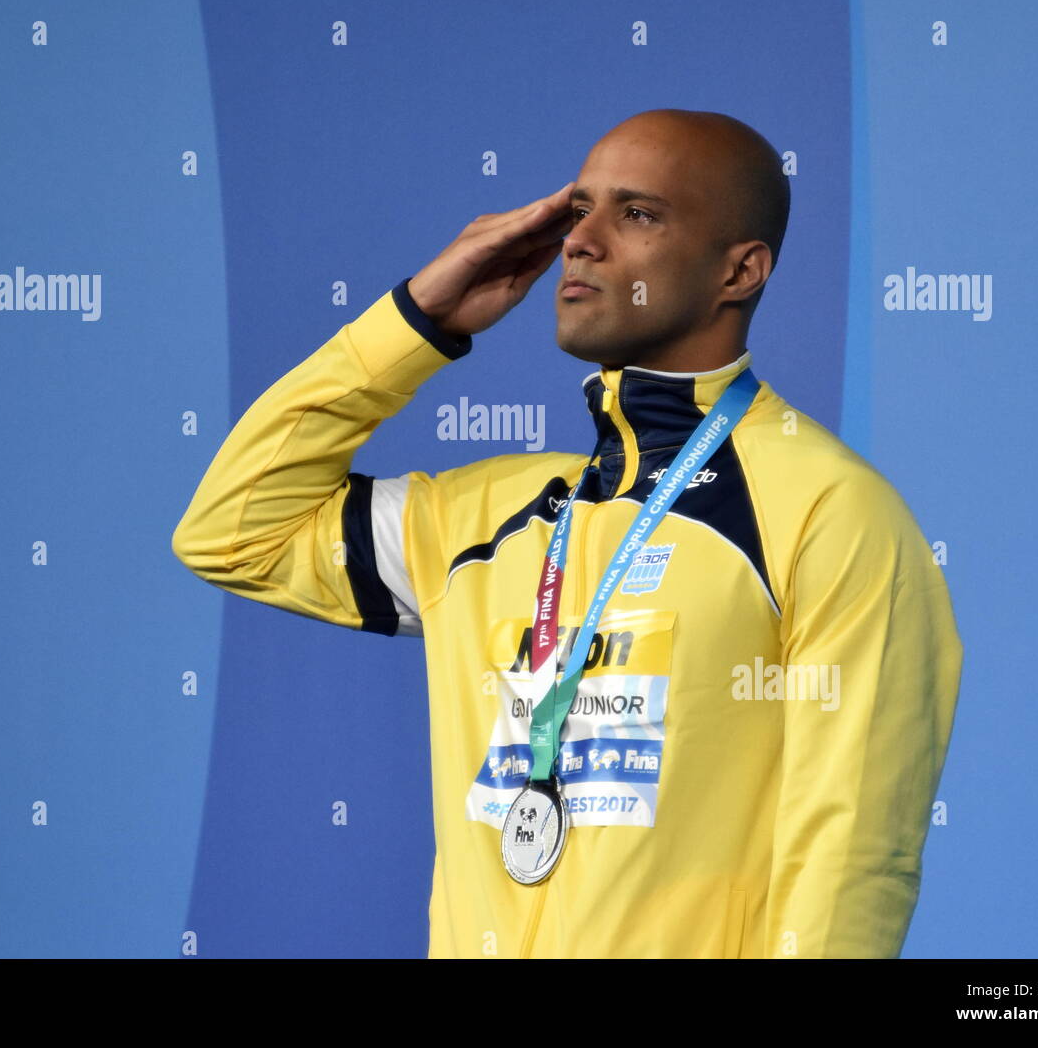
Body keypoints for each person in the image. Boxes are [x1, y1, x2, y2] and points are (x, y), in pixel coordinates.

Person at [171, 108, 963, 958]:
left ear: (740, 270)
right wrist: (419, 322)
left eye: (637, 213)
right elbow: (232, 529)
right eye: (577, 209)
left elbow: (849, 861)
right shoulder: (484, 519)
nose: (581, 240)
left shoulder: (827, 510)